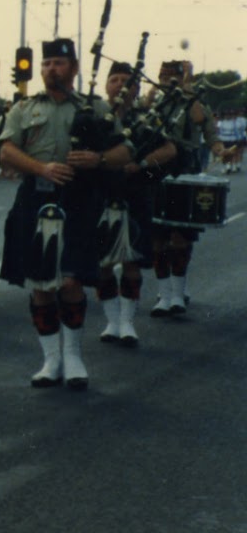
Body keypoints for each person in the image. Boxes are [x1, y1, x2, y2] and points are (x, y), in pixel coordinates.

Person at [0, 38, 132, 391]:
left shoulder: (96, 107)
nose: (50, 70)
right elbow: (6, 151)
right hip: (36, 197)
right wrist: (41, 168)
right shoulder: (23, 108)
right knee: (42, 283)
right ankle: (51, 360)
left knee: (72, 281)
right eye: (46, 64)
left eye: (59, 63)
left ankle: (73, 357)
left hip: (78, 198)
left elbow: (125, 150)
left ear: (74, 69)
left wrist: (98, 159)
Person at [93, 61, 177, 347]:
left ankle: (127, 323)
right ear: (106, 85)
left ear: (137, 87)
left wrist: (142, 167)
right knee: (102, 264)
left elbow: (169, 151)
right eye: (114, 79)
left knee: (132, 263)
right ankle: (111, 321)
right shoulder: (94, 114)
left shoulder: (147, 118)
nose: (120, 85)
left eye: (126, 81)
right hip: (100, 196)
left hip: (136, 197)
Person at [145, 59, 228, 316]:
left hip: (185, 167)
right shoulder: (155, 102)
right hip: (157, 167)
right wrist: (151, 94)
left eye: (174, 76)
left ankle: (178, 293)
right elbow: (141, 113)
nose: (168, 81)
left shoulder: (193, 103)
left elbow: (207, 130)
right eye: (163, 76)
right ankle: (164, 293)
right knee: (158, 237)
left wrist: (220, 150)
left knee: (180, 235)